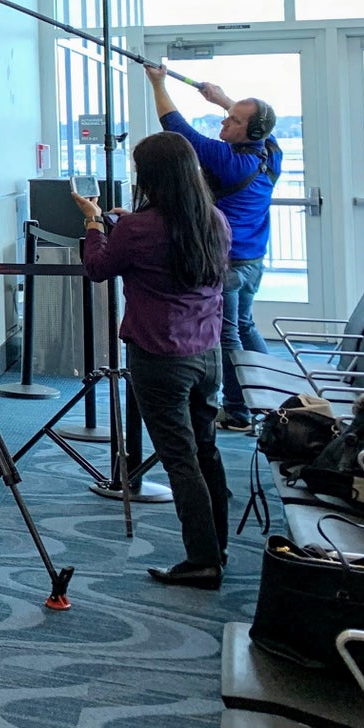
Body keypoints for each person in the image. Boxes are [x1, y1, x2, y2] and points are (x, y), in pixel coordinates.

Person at [76, 132, 233, 590]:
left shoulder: (140, 229)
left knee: (179, 459)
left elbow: (98, 268)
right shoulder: (214, 220)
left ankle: (202, 560)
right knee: (205, 451)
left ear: (150, 176)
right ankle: (216, 546)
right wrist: (123, 224)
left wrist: (93, 224)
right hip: (206, 353)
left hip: (159, 356)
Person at [147, 66, 283, 430]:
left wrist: (158, 83)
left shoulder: (230, 161)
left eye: (233, 120)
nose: (224, 123)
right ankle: (276, 401)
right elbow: (256, 124)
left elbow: (178, 130)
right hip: (253, 260)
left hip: (231, 264)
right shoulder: (270, 153)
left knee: (228, 336)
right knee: (244, 326)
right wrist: (222, 98)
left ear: (250, 131)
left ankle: (239, 411)